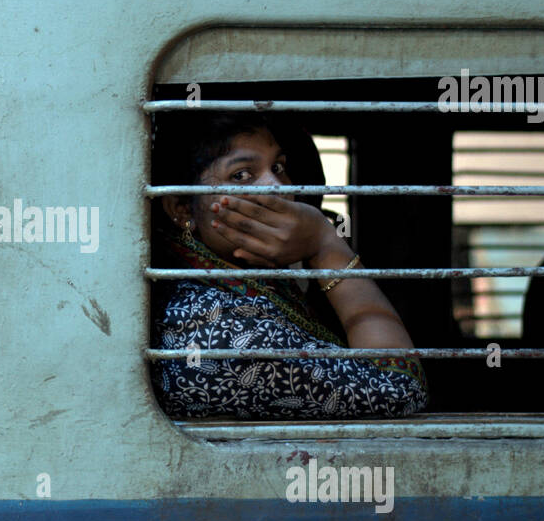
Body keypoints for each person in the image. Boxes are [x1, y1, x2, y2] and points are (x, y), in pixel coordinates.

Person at [151, 113, 428, 419]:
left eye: (279, 167)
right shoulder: (213, 325)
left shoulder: (253, 285)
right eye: (241, 175)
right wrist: (326, 246)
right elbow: (399, 389)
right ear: (181, 209)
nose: (277, 186)